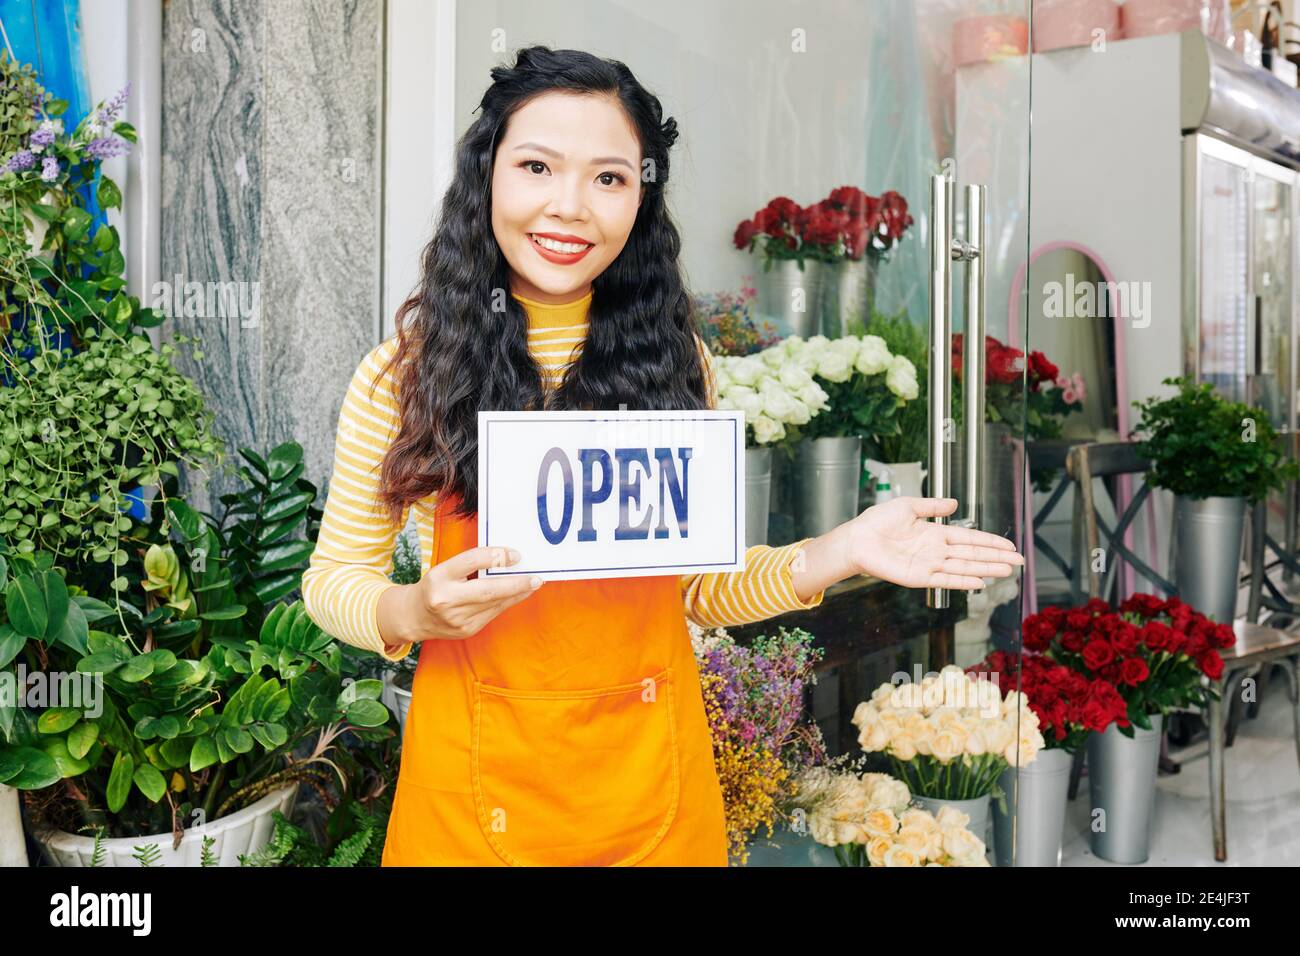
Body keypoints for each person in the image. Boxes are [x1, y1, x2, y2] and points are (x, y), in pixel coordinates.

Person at [300, 45, 1024, 867]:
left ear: (641, 198)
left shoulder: (677, 365)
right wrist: (412, 614)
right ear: (488, 175)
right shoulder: (403, 373)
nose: (570, 207)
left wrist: (838, 551)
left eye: (609, 178)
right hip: (470, 799)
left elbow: (697, 589)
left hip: (654, 796)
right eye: (537, 166)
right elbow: (333, 582)